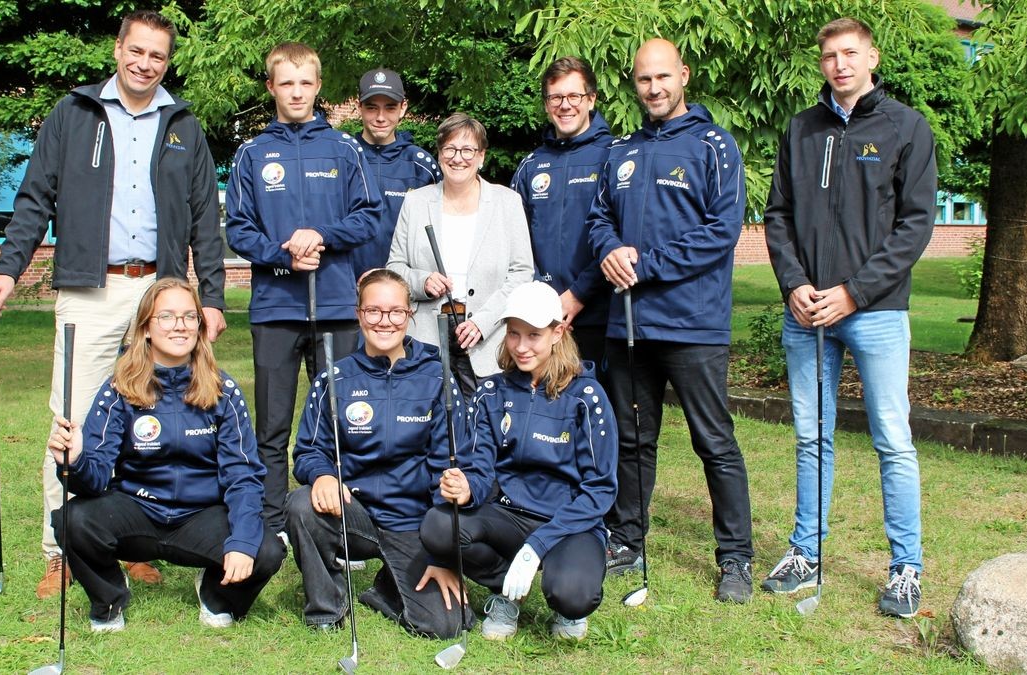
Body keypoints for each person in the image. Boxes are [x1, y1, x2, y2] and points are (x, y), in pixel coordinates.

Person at [0, 9, 226, 598]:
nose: (145, 64)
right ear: (118, 50)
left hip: (159, 293)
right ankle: (60, 549)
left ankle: (129, 544)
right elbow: (35, 198)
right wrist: (8, 270)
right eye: (136, 51)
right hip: (89, 289)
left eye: (158, 56)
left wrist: (209, 298)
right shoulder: (74, 112)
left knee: (152, 418)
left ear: (168, 61)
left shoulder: (183, 125)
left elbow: (205, 224)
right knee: (73, 421)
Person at [762, 18, 936, 619]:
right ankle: (806, 551)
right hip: (807, 310)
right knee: (812, 436)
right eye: (829, 56)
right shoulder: (802, 129)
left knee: (893, 438)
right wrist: (795, 285)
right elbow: (777, 215)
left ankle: (906, 566)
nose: (839, 65)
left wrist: (854, 293)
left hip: (876, 312)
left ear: (871, 57)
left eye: (850, 54)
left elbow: (915, 226)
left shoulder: (905, 128)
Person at [588, 39, 754, 601]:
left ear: (683, 75)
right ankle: (626, 540)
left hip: (693, 325)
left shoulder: (714, 145)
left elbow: (720, 232)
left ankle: (735, 558)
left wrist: (646, 265)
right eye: (642, 80)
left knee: (714, 441)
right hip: (629, 324)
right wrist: (610, 248)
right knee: (632, 440)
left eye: (663, 77)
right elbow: (599, 219)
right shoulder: (621, 149)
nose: (654, 88)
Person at [46, 278, 284, 632]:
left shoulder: (223, 389)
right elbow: (93, 480)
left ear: (200, 327)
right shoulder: (118, 389)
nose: (180, 325)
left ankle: (215, 594)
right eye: (168, 317)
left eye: (189, 317)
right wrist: (75, 459)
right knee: (71, 519)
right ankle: (109, 598)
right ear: (145, 328)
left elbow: (243, 476)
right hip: (138, 511)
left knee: (265, 549)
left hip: (200, 516)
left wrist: (243, 542)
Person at [226, 42, 381, 536]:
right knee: (271, 427)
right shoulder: (252, 153)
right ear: (271, 87)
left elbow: (369, 216)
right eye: (286, 83)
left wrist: (324, 236)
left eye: (306, 83)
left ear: (318, 88)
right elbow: (237, 228)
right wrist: (281, 253)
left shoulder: (344, 148)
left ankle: (341, 524)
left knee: (341, 422)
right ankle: (271, 526)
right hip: (275, 309)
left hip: (336, 308)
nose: (296, 92)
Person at [420, 281, 618, 642]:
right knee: (437, 525)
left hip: (569, 523)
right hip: (509, 516)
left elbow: (600, 490)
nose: (521, 346)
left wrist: (537, 546)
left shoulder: (587, 396)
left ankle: (561, 588)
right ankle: (508, 591)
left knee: (573, 596)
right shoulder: (491, 392)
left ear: (558, 332)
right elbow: (480, 469)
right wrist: (466, 490)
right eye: (513, 334)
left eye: (533, 335)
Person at [286, 269, 469, 636]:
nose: (384, 321)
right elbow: (308, 450)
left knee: (447, 625)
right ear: (359, 314)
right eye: (373, 311)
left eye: (395, 312)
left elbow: (451, 468)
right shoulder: (334, 379)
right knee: (302, 503)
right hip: (355, 513)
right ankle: (327, 608)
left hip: (414, 523)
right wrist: (322, 475)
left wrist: (442, 553)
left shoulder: (437, 377)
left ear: (409, 315)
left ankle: (386, 590)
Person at [387, 113, 534, 397]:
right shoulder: (415, 202)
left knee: (484, 428)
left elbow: (521, 273)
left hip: (486, 339)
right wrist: (422, 281)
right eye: (450, 149)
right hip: (427, 336)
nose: (458, 158)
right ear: (440, 154)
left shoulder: (507, 203)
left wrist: (483, 322)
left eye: (468, 150)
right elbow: (394, 268)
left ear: (481, 156)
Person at [510, 56, 614, 370]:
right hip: (539, 319)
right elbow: (515, 239)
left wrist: (578, 294)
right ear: (546, 104)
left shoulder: (614, 155)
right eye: (556, 97)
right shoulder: (531, 165)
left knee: (595, 410)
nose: (564, 105)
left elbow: (619, 234)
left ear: (591, 99)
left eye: (574, 96)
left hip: (597, 314)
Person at [350, 69, 442, 279]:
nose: (381, 117)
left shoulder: (422, 164)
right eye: (372, 108)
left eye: (390, 108)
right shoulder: (345, 157)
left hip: (406, 289)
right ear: (359, 108)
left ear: (403, 108)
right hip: (348, 287)